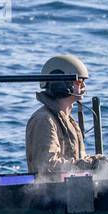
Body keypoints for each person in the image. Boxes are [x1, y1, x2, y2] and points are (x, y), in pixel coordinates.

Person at [25, 53, 103, 181]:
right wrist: (90, 164)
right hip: (51, 195)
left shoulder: (68, 120)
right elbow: (47, 166)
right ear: (62, 84)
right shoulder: (44, 120)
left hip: (70, 191)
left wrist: (97, 161)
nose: (84, 87)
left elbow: (76, 160)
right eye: (79, 81)